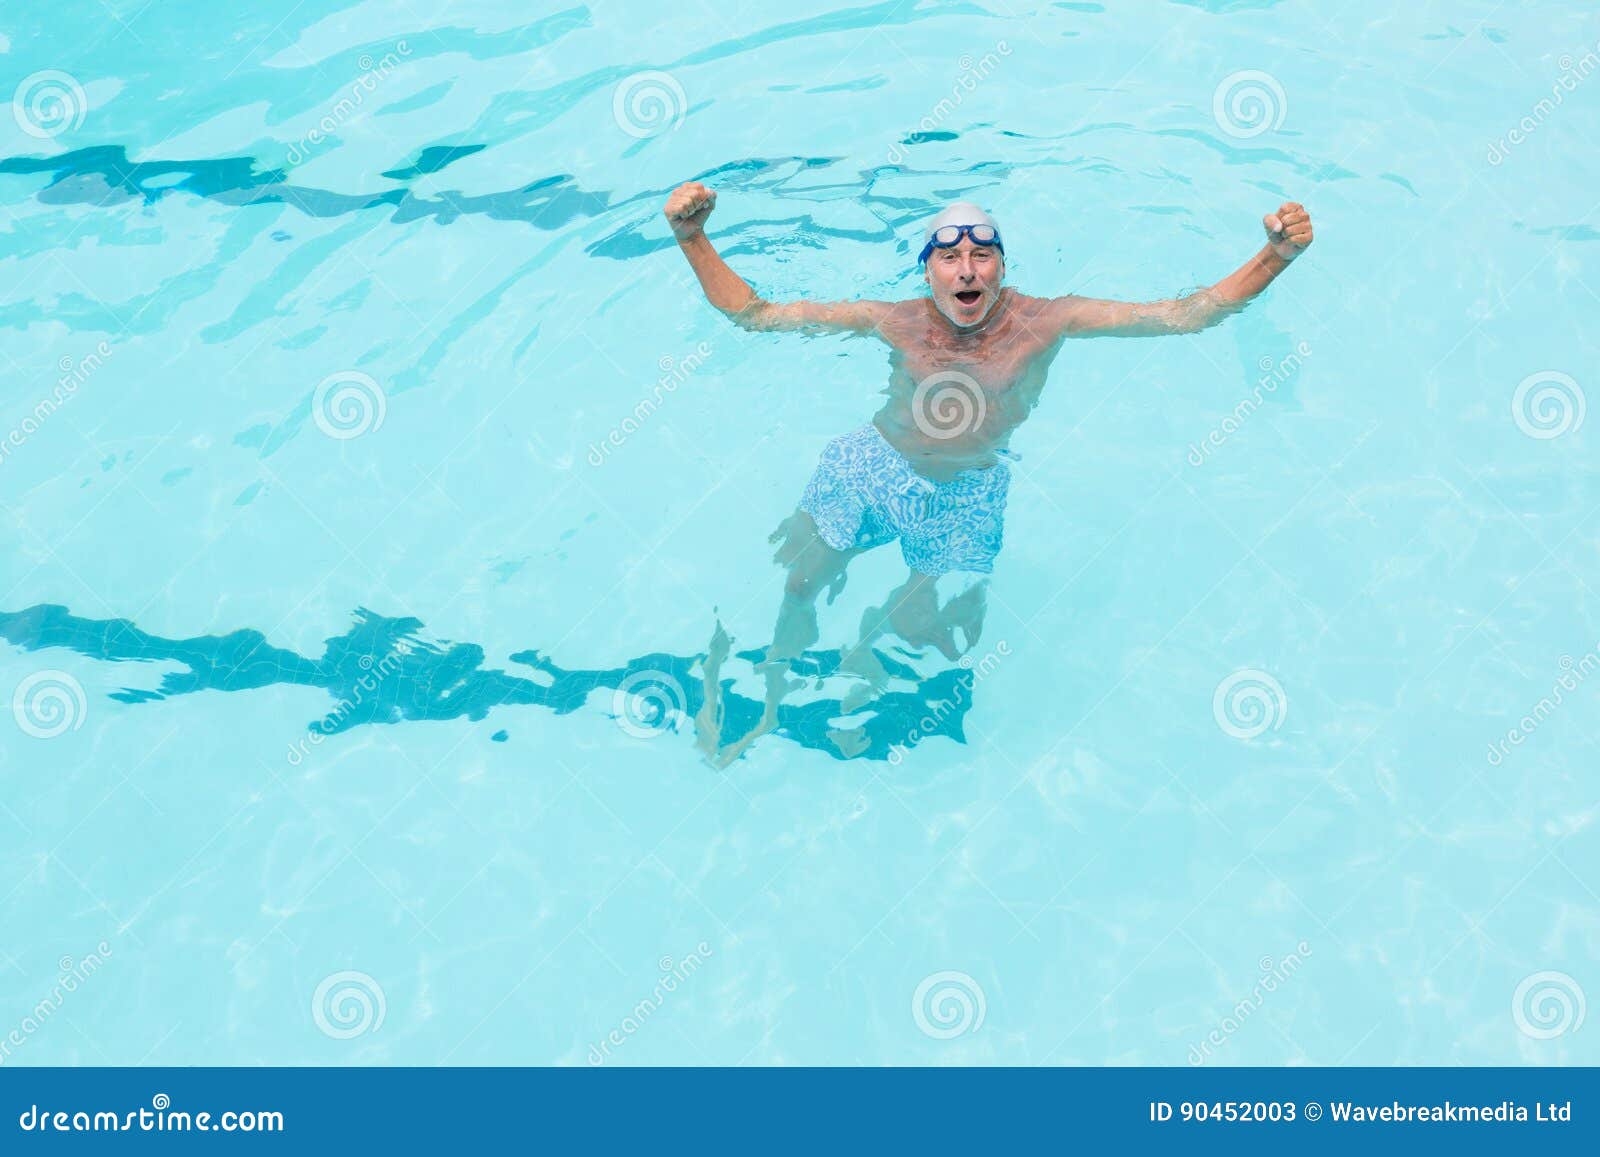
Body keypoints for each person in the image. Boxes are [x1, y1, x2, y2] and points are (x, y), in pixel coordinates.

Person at [664, 181, 1314, 765]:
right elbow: (756, 314)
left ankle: (879, 686)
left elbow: (1184, 315)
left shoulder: (1048, 320)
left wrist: (1273, 258)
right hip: (872, 467)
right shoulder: (895, 321)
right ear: (928, 271)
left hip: (968, 490)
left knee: (927, 632)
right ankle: (775, 684)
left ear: (1002, 266)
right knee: (803, 584)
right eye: (950, 256)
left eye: (983, 255)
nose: (968, 268)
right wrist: (693, 239)